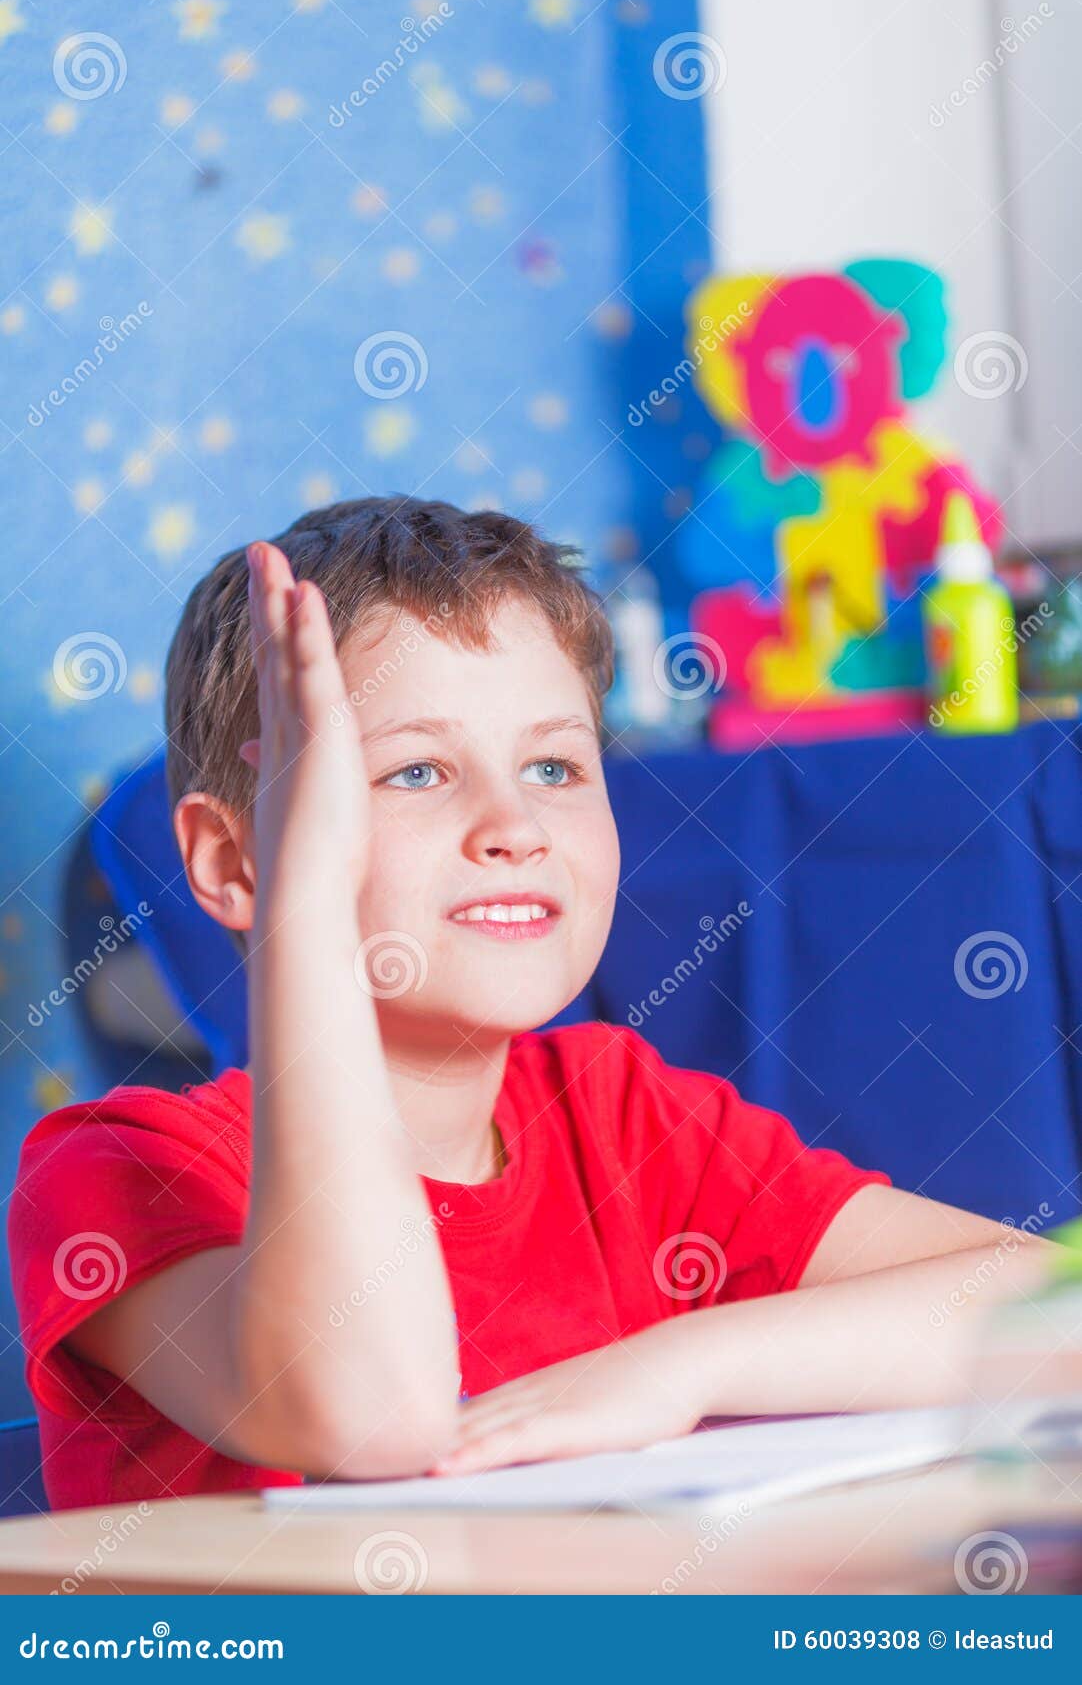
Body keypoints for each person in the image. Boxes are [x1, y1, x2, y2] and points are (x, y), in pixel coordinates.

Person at [8, 497, 1054, 1511]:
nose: (512, 824)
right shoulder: (114, 1170)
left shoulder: (625, 1115)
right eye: (415, 772)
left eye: (553, 765)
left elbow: (1049, 1315)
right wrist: (308, 909)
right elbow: (374, 1417)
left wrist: (677, 1366)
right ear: (235, 860)